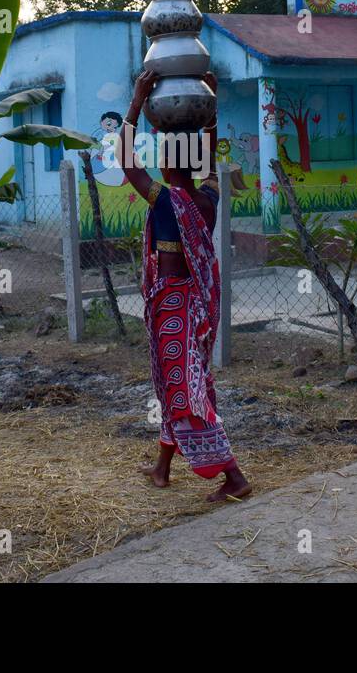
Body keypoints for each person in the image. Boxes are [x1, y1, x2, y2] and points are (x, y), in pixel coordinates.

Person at [119, 69, 251, 503]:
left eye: (164, 151)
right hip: (192, 306)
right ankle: (161, 467)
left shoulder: (165, 198)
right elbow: (210, 161)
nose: (159, 158)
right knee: (183, 382)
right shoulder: (207, 197)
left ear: (170, 163)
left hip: (175, 305)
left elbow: (125, 160)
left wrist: (137, 103)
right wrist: (210, 107)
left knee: (184, 391)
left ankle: (233, 477)